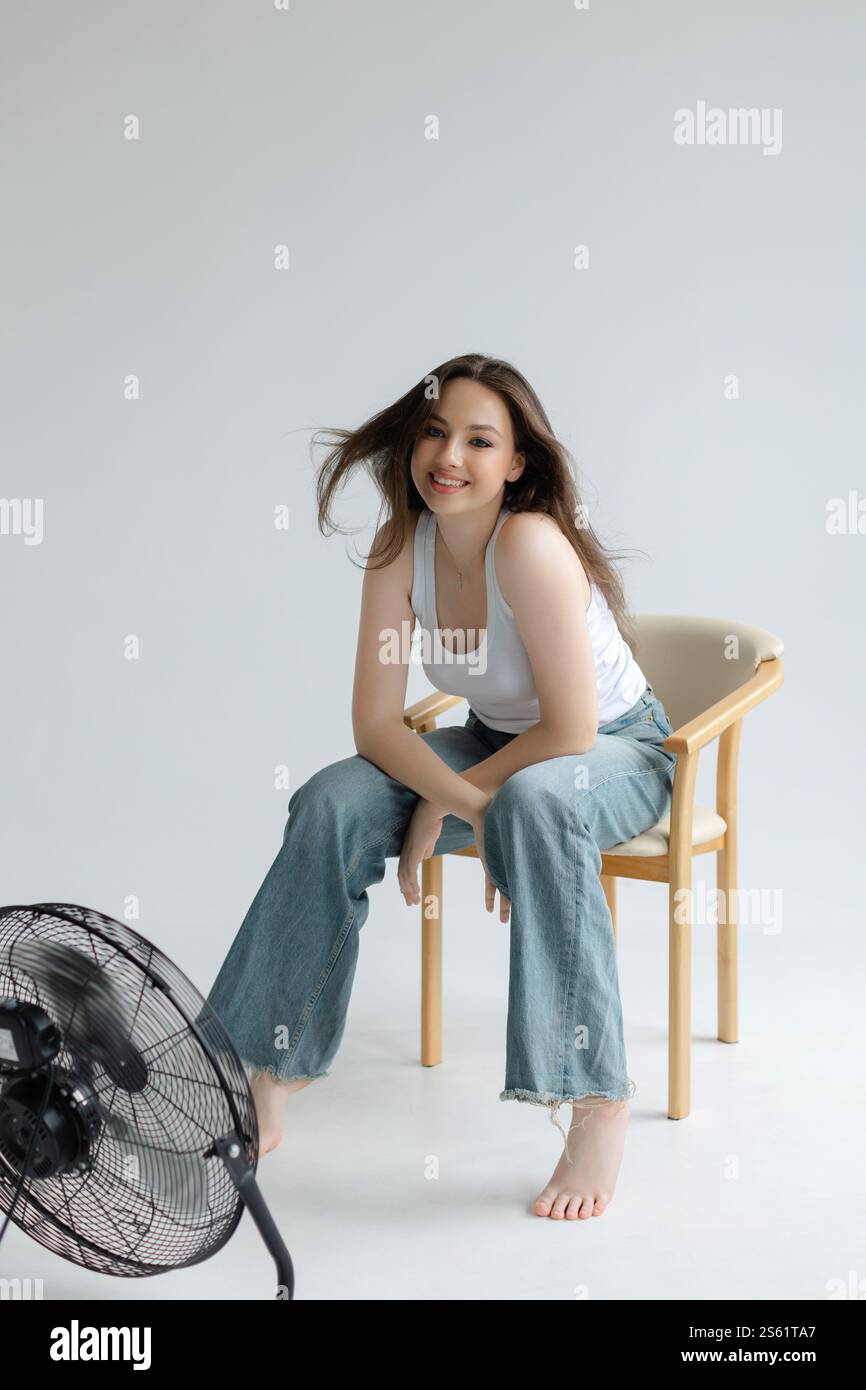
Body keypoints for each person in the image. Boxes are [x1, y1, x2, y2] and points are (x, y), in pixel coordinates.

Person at [205, 352, 676, 1221]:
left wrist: (442, 799)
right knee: (332, 800)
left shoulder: (529, 546)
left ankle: (594, 1097)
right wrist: (456, 798)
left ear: (517, 463)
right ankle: (266, 1068)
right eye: (434, 431)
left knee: (536, 800)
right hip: (498, 748)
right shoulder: (401, 547)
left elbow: (570, 729)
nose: (448, 455)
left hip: (617, 750)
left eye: (479, 439)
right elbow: (378, 727)